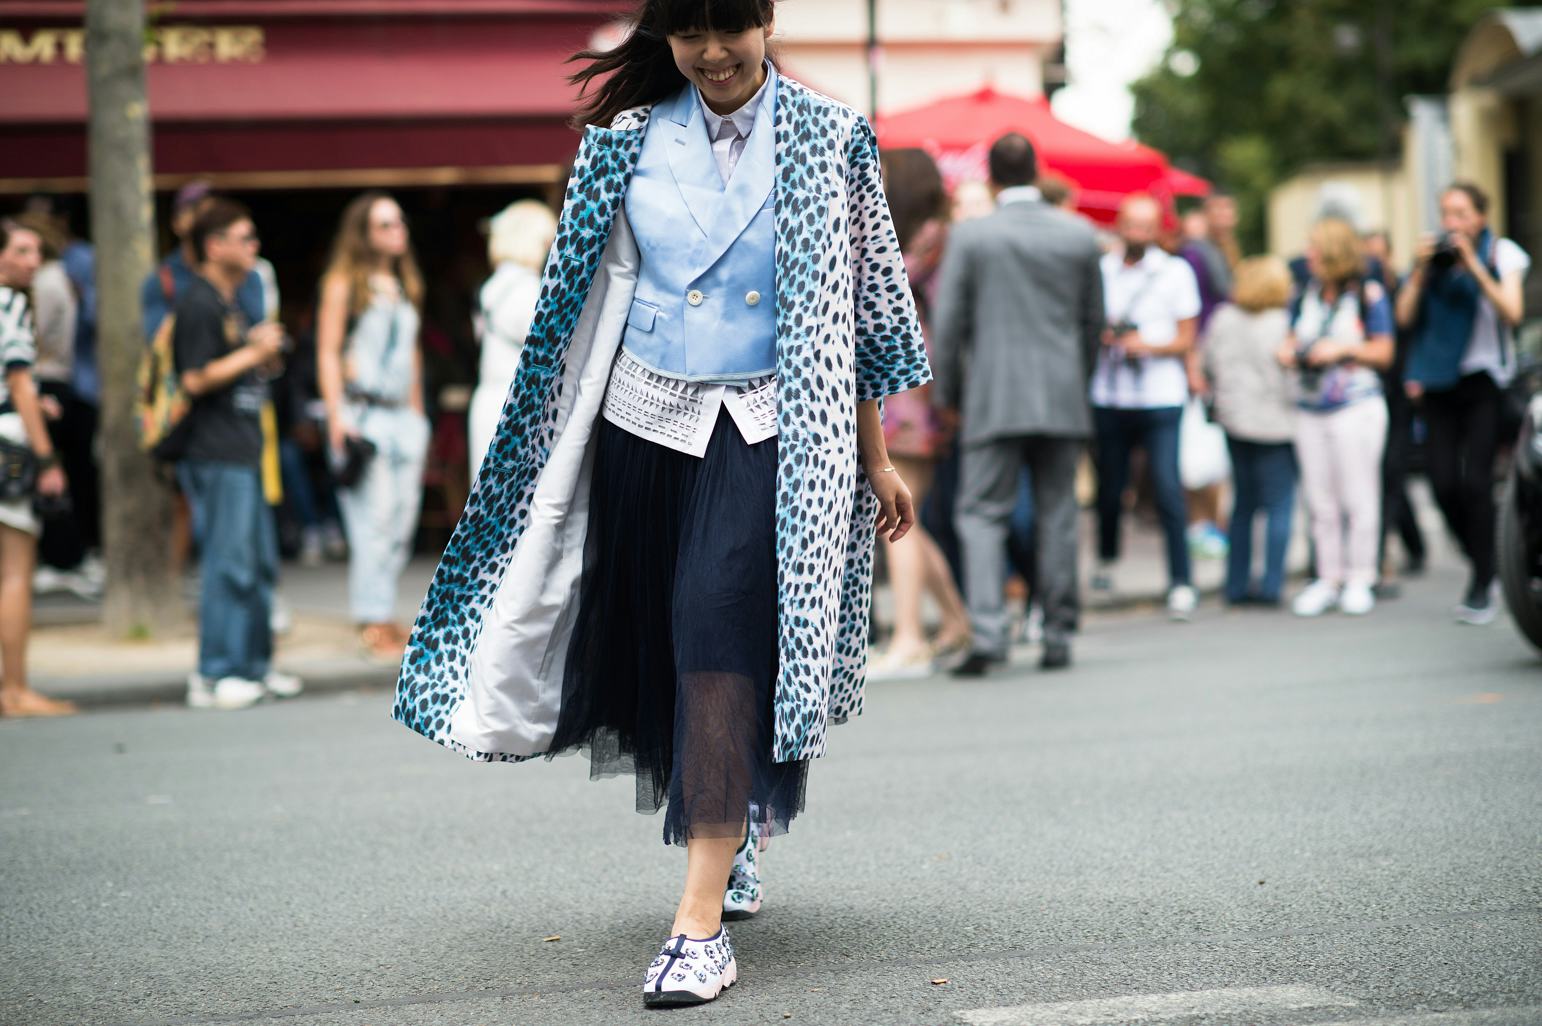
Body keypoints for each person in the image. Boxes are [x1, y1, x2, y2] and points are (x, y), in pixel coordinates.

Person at [391, 0, 930, 1008]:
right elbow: (570, 297)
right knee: (662, 648)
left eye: (731, 27)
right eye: (690, 33)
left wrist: (876, 453)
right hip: (641, 423)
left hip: (771, 425)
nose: (713, 52)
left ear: (766, 20)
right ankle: (730, 826)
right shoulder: (623, 140)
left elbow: (865, 308)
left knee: (716, 627)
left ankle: (696, 926)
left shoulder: (833, 137)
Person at [932, 132, 1103, 673]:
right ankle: (1057, 633)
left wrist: (947, 395)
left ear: (991, 177)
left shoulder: (972, 237)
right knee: (1059, 514)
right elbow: (1093, 322)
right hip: (1062, 394)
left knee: (982, 513)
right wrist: (1079, 381)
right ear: (1037, 170)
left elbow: (949, 324)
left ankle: (988, 635)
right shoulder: (1078, 234)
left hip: (993, 395)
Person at [170, 199, 303, 709]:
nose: (254, 247)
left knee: (257, 562)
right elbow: (194, 378)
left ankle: (253, 666)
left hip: (244, 444)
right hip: (216, 448)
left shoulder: (234, 299)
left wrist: (258, 351)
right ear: (214, 246)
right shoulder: (198, 302)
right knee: (228, 562)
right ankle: (214, 672)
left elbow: (235, 365)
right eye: (244, 238)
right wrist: (253, 351)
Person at [1397, 182, 1530, 624]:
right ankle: (1485, 556)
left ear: (1480, 216)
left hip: (1483, 383)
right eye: (1446, 213)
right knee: (1441, 484)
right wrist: (1420, 271)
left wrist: (1473, 266)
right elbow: (1404, 316)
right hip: (1439, 382)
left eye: (1461, 213)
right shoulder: (1433, 261)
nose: (1452, 223)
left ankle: (1482, 579)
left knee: (1476, 484)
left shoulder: (1501, 253)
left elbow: (1512, 312)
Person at [867, 147, 970, 678]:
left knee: (897, 517)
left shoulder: (933, 236)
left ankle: (910, 636)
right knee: (907, 515)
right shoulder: (924, 234)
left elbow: (885, 281)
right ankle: (954, 622)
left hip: (913, 390)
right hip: (909, 386)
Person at [316, 192, 430, 660]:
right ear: (363, 233)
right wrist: (335, 415)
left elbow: (412, 353)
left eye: (399, 221)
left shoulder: (403, 284)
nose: (397, 230)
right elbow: (327, 351)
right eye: (385, 224)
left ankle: (382, 612)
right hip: (364, 414)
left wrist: (418, 414)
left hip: (403, 416)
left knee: (402, 522)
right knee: (374, 522)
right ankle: (372, 618)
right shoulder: (345, 283)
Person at [1090, 194, 1203, 620]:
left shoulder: (1174, 272)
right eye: (1131, 224)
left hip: (1160, 395)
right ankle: (1106, 562)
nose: (1137, 232)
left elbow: (1187, 338)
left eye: (1145, 225)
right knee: (1109, 489)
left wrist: (1146, 346)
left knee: (1168, 488)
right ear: (1120, 225)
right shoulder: (1101, 270)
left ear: (1157, 230)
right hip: (1110, 393)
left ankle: (1181, 581)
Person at [1280, 218, 1395, 617]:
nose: (1308, 255)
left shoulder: (1367, 294)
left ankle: (1361, 576)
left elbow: (1384, 352)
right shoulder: (1304, 295)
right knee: (1319, 499)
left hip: (1355, 406)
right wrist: (1289, 352)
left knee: (1358, 494)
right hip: (1310, 407)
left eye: (1315, 247)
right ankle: (1327, 577)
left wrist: (1341, 350)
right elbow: (1290, 338)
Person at [0, 221, 75, 718]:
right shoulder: (9, 305)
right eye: (22, 250)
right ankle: (15, 689)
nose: (33, 261)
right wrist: (47, 458)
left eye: (37, 252)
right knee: (14, 572)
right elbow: (20, 383)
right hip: (7, 445)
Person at [1202, 256, 1297, 606]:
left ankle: (1235, 584)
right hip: (1277, 425)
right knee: (1279, 505)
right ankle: (1272, 584)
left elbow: (1206, 363)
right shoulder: (1283, 323)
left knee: (1242, 504)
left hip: (1235, 421)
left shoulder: (1223, 319)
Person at [468, 199, 557, 481]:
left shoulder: (492, 285)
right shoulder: (527, 288)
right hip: (516, 403)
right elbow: (547, 350)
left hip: (487, 399)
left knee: (487, 491)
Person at [1362, 229, 1427, 583]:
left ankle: (1384, 551)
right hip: (1374, 390)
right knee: (1388, 473)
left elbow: (1416, 331)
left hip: (1402, 392)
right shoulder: (1360, 292)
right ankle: (1413, 544)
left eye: (1378, 254)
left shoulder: (1404, 287)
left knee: (1392, 468)